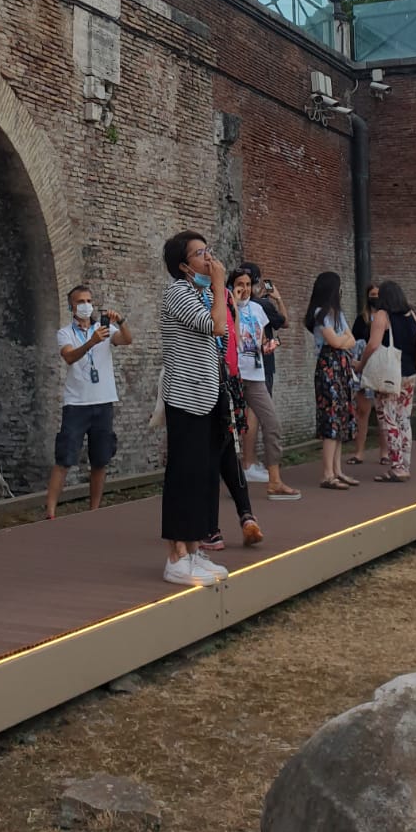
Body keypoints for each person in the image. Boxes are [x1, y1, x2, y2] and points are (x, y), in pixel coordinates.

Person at [159, 230, 232, 585]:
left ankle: (194, 548)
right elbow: (217, 327)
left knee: (203, 475)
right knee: (184, 475)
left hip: (208, 395)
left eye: (209, 251)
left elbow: (222, 333)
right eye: (201, 253)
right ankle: (176, 556)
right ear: (184, 265)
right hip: (186, 396)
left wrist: (214, 291)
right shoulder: (178, 292)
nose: (209, 259)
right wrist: (220, 286)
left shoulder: (200, 294)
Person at [44, 285, 132, 519]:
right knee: (64, 457)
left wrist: (121, 322)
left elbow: (127, 340)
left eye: (89, 300)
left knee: (100, 459)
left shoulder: (103, 329)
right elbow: (70, 356)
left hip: (103, 401)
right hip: (76, 403)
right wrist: (91, 342)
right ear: (72, 306)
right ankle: (50, 510)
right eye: (80, 301)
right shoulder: (65, 333)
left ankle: (94, 510)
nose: (85, 305)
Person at [200, 281, 263, 551]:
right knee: (225, 450)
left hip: (215, 379)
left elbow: (228, 334)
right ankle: (246, 516)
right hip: (226, 376)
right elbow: (233, 336)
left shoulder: (216, 296)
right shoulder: (220, 296)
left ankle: (211, 529)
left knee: (214, 453)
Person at [232, 270, 300, 500]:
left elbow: (260, 339)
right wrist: (234, 304)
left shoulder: (258, 309)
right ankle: (232, 481)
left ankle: (275, 481)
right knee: (229, 431)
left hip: (256, 375)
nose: (245, 289)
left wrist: (268, 345)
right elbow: (232, 336)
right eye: (240, 284)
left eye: (248, 284)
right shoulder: (227, 308)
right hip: (234, 375)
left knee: (272, 424)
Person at [304, 271, 359, 490]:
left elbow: (351, 340)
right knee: (331, 417)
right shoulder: (321, 314)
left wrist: (343, 341)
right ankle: (327, 473)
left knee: (341, 417)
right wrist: (343, 341)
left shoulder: (338, 313)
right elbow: (336, 341)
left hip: (342, 368)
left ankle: (337, 470)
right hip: (328, 368)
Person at [363, 279, 416, 483]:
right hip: (411, 372)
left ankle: (397, 466)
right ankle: (405, 462)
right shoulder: (413, 315)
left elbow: (373, 344)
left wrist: (361, 364)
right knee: (404, 418)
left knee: (388, 418)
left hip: (390, 374)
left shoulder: (382, 315)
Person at [347, 284, 389, 467]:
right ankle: (359, 452)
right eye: (372, 295)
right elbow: (354, 343)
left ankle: (385, 452)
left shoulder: (387, 318)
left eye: (377, 295)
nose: (375, 298)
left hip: (380, 366)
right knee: (362, 411)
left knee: (382, 413)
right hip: (364, 368)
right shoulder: (361, 319)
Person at [240, 261, 287, 397]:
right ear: (257, 280)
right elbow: (284, 322)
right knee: (262, 408)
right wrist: (278, 298)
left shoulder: (235, 303)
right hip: (263, 364)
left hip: (242, 365)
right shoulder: (263, 305)